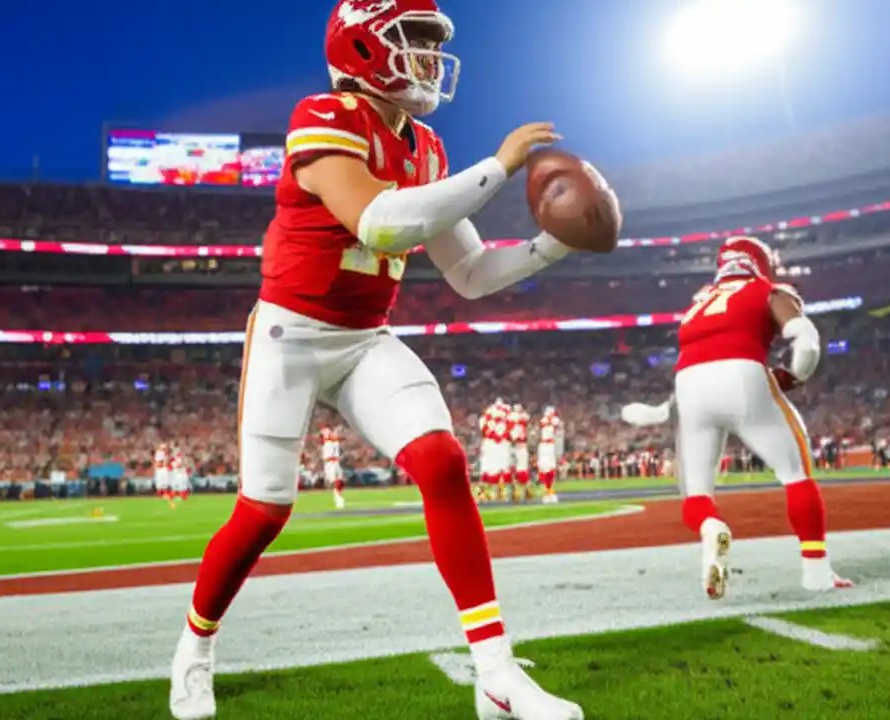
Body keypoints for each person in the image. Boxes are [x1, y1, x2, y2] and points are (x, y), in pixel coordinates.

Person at [168, 2, 590, 718]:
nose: (428, 56)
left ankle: (496, 675)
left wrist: (555, 243)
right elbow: (378, 221)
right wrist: (499, 167)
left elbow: (472, 272)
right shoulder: (322, 116)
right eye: (413, 39)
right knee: (263, 513)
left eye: (431, 42)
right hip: (290, 336)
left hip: (365, 338)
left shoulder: (426, 147)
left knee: (444, 463)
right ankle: (194, 650)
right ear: (362, 47)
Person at [621, 236, 852, 599]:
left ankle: (711, 527)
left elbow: (700, 361)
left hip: (689, 387)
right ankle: (816, 570)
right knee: (796, 474)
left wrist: (662, 411)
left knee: (696, 495)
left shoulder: (699, 302)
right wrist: (795, 375)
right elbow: (805, 339)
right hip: (743, 376)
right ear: (761, 263)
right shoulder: (768, 290)